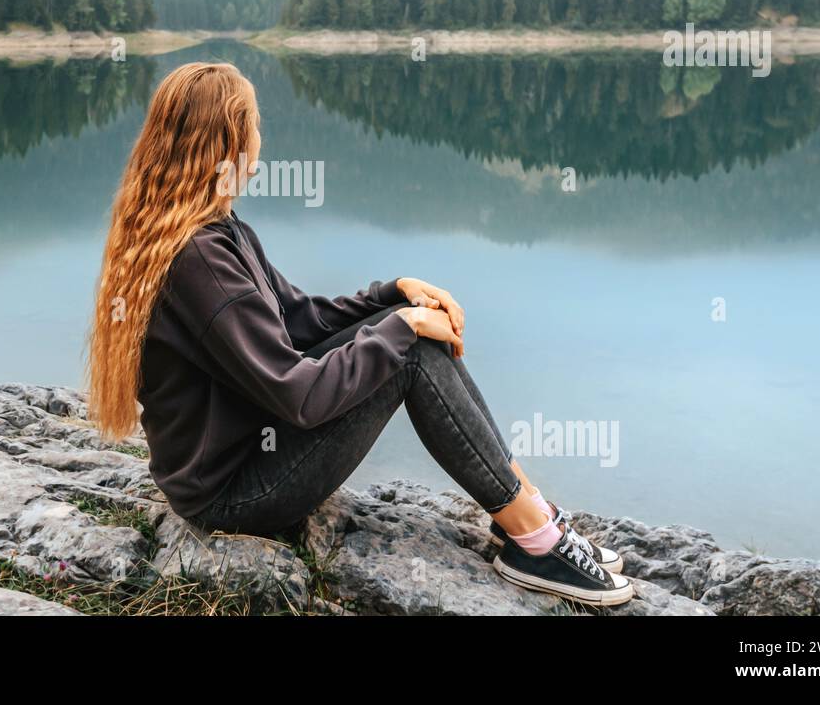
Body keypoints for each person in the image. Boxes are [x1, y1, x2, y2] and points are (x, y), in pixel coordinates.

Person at [87, 60, 633, 607]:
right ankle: (534, 540)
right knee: (411, 348)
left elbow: (297, 317)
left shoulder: (218, 232)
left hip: (246, 450)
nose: (261, 140)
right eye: (255, 124)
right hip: (233, 494)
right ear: (229, 140)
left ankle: (527, 508)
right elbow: (297, 394)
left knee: (412, 332)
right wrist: (403, 327)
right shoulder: (199, 258)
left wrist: (394, 294)